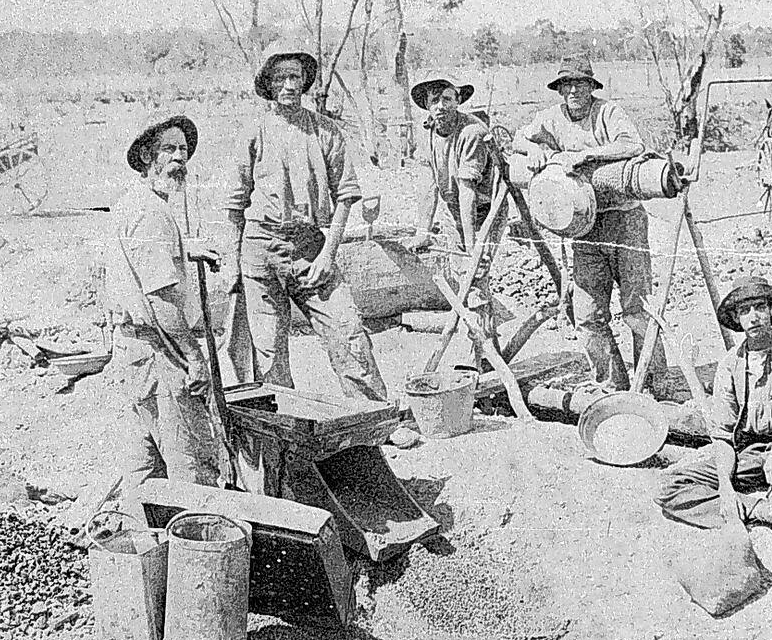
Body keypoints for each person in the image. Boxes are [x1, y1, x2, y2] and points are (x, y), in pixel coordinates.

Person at [222, 49, 388, 402]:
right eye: (280, 77)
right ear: (268, 84)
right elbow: (235, 207)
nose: (288, 85)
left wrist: (327, 256)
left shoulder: (326, 131)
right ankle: (284, 424)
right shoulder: (253, 132)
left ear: (304, 82)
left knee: (348, 332)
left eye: (295, 76)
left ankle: (373, 417)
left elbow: (346, 196)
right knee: (267, 354)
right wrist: (234, 265)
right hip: (260, 249)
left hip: (310, 247)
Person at [655, 276, 772, 586]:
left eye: (760, 307)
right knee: (670, 488)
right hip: (752, 454)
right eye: (745, 311)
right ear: (737, 319)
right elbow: (723, 435)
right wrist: (726, 487)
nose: (753, 317)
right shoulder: (729, 365)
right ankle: (763, 512)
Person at [514, 54, 658, 392]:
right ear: (560, 90)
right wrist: (532, 149)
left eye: (580, 84)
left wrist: (588, 155)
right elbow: (519, 137)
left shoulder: (608, 112)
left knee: (637, 309)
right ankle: (610, 383)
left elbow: (633, 144)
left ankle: (651, 382)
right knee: (588, 314)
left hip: (624, 219)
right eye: (567, 85)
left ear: (591, 87)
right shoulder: (552, 117)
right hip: (583, 225)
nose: (574, 91)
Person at [105, 113, 223, 488]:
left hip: (132, 352)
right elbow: (161, 299)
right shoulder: (150, 213)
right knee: (193, 464)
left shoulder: (132, 203)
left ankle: (138, 526)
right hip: (160, 355)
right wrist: (194, 358)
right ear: (146, 157)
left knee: (144, 469)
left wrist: (186, 251)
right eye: (168, 149)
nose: (179, 158)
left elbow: (144, 257)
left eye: (183, 150)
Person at [407, 76, 504, 357]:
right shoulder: (426, 133)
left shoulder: (472, 132)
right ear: (427, 105)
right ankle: (485, 347)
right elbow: (428, 186)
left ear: (458, 101)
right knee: (463, 278)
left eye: (447, 99)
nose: (441, 106)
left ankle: (479, 354)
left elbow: (468, 191)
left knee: (475, 274)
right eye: (434, 100)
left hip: (485, 210)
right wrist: (423, 232)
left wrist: (471, 246)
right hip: (452, 209)